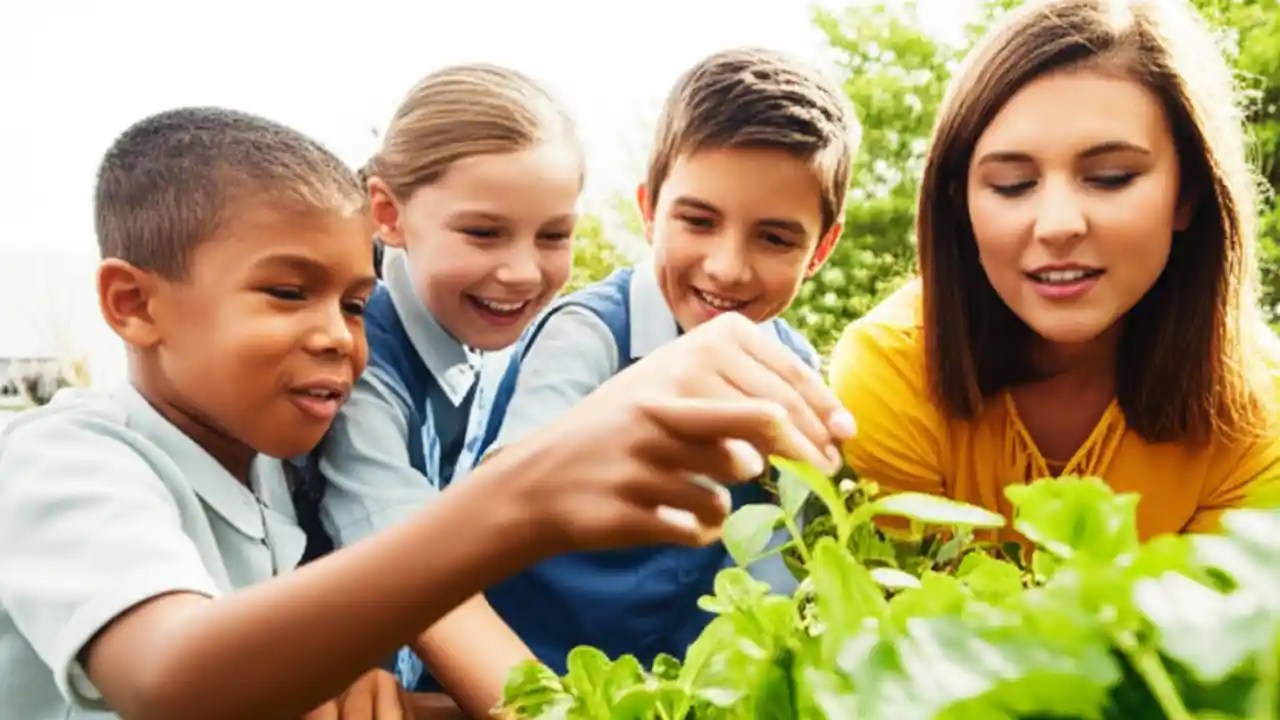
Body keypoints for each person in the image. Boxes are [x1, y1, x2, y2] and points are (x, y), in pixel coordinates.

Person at [0, 106, 855, 720]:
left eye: (354, 304)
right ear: (131, 303)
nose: (339, 337)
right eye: (288, 292)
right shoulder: (62, 458)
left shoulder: (267, 477)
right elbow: (170, 679)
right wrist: (519, 500)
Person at [431, 47, 860, 712]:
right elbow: (504, 493)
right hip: (520, 683)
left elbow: (785, 564)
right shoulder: (590, 333)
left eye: (774, 239)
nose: (728, 268)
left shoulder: (794, 367)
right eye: (698, 220)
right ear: (650, 209)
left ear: (821, 249)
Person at [830, 0, 1280, 542]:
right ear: (959, 204)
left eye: (1111, 177)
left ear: (1187, 194)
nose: (1058, 226)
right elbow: (893, 621)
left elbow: (1217, 625)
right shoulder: (890, 371)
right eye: (1013, 185)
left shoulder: (1261, 405)